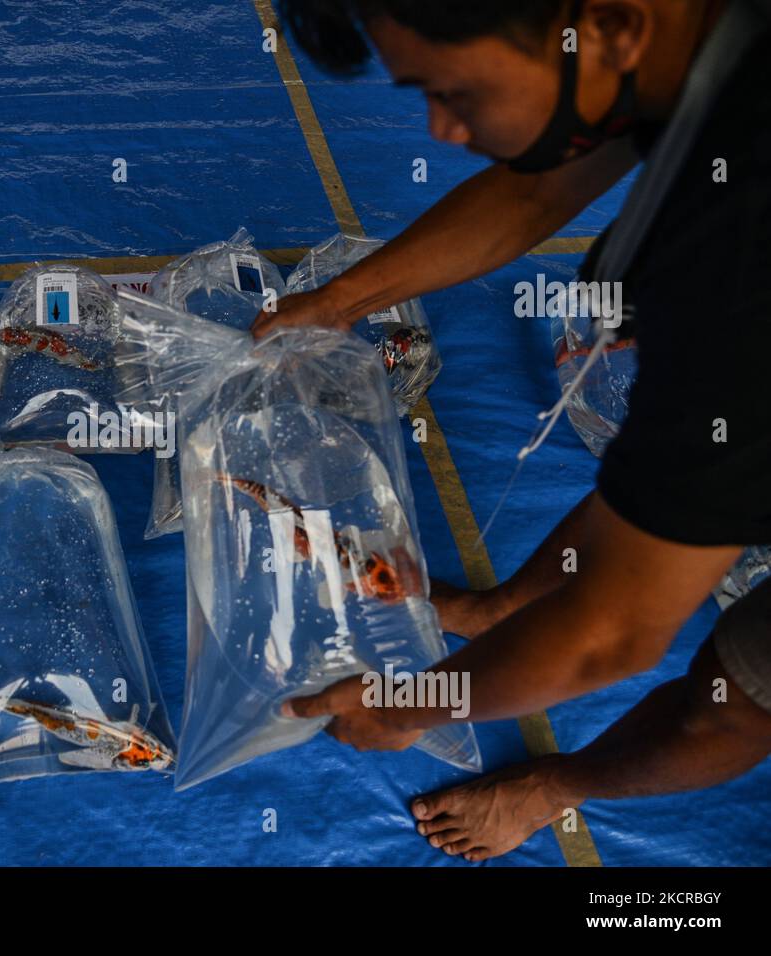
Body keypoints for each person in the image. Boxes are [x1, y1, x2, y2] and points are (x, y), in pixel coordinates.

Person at [258, 0, 771, 862]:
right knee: (651, 494)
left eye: (452, 91)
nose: (441, 127)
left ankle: (554, 785)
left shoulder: (736, 268)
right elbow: (538, 181)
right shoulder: (675, 40)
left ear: (608, 26)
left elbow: (615, 631)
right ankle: (494, 609)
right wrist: (337, 304)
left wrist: (400, 710)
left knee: (741, 691)